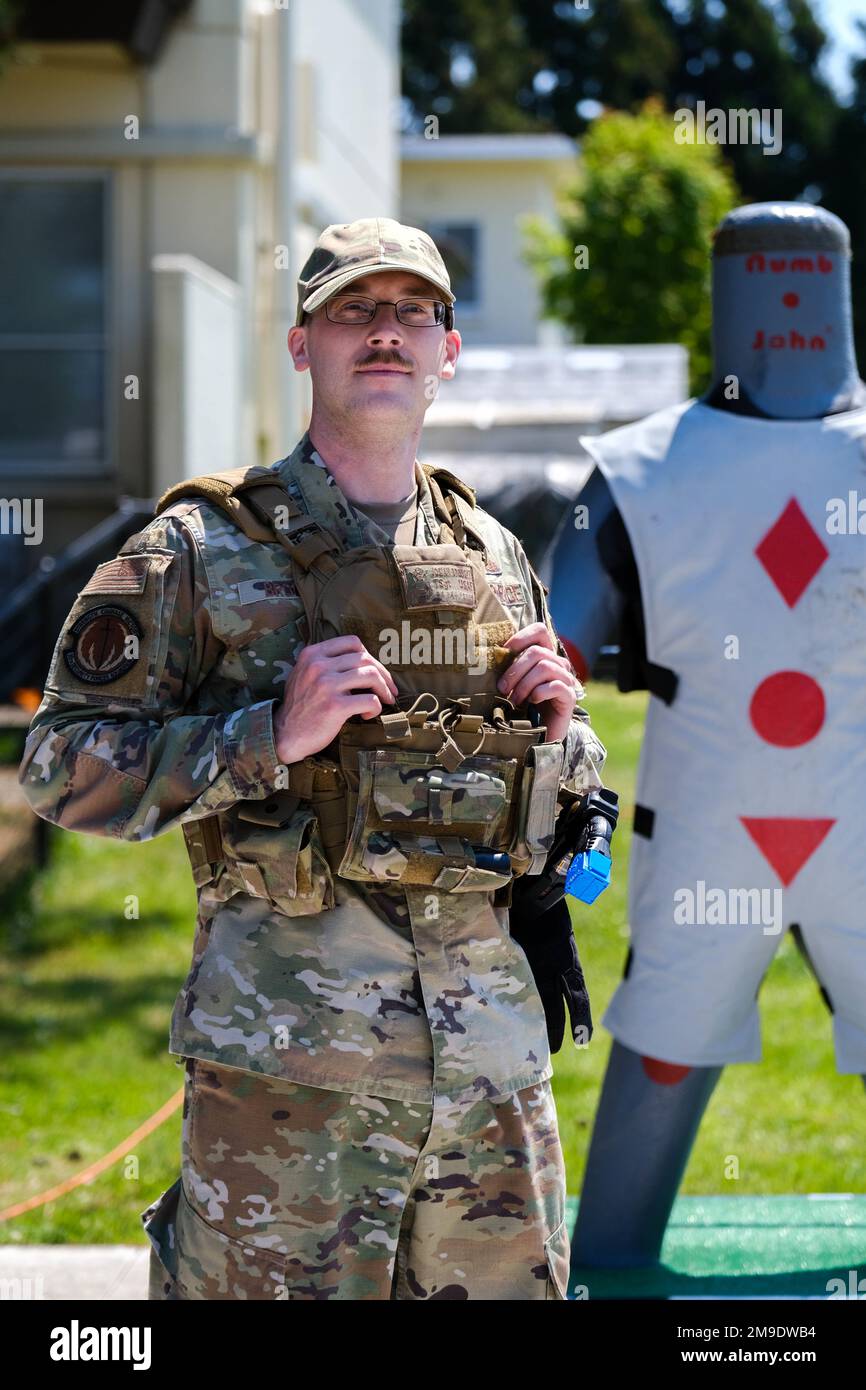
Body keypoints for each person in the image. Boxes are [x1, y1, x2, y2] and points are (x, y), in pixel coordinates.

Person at [18, 216, 607, 1300]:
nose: (384, 333)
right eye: (351, 310)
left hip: (487, 1083)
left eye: (412, 313)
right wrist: (263, 737)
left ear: (446, 350)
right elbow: (58, 763)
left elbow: (544, 799)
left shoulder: (493, 554)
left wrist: (564, 737)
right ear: (302, 345)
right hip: (291, 1087)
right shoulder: (199, 550)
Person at [545, 202, 866, 1274]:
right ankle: (608, 1261)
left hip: (707, 826)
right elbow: (552, 655)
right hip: (762, 823)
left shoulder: (639, 472)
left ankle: (609, 1262)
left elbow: (554, 651)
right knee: (666, 1044)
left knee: (665, 1046)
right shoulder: (635, 471)